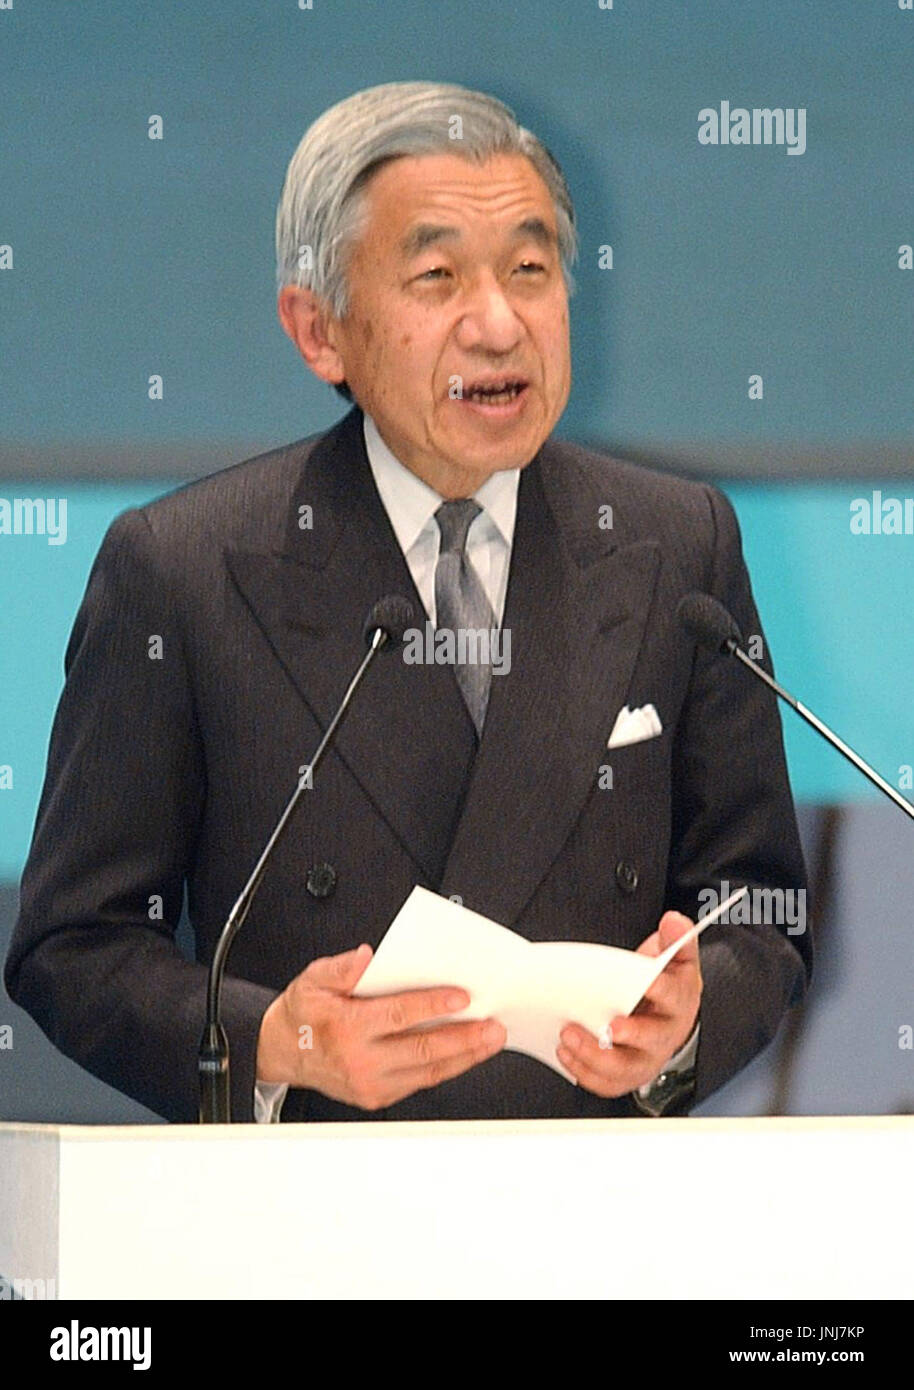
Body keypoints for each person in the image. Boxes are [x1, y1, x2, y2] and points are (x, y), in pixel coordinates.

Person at [5, 81, 810, 1124]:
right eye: (435, 277)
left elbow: (758, 909)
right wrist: (271, 1040)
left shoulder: (678, 543)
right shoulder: (182, 569)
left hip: (596, 1225)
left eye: (529, 269)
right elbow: (73, 944)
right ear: (319, 330)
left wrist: (688, 1021)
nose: (496, 323)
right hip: (310, 1233)